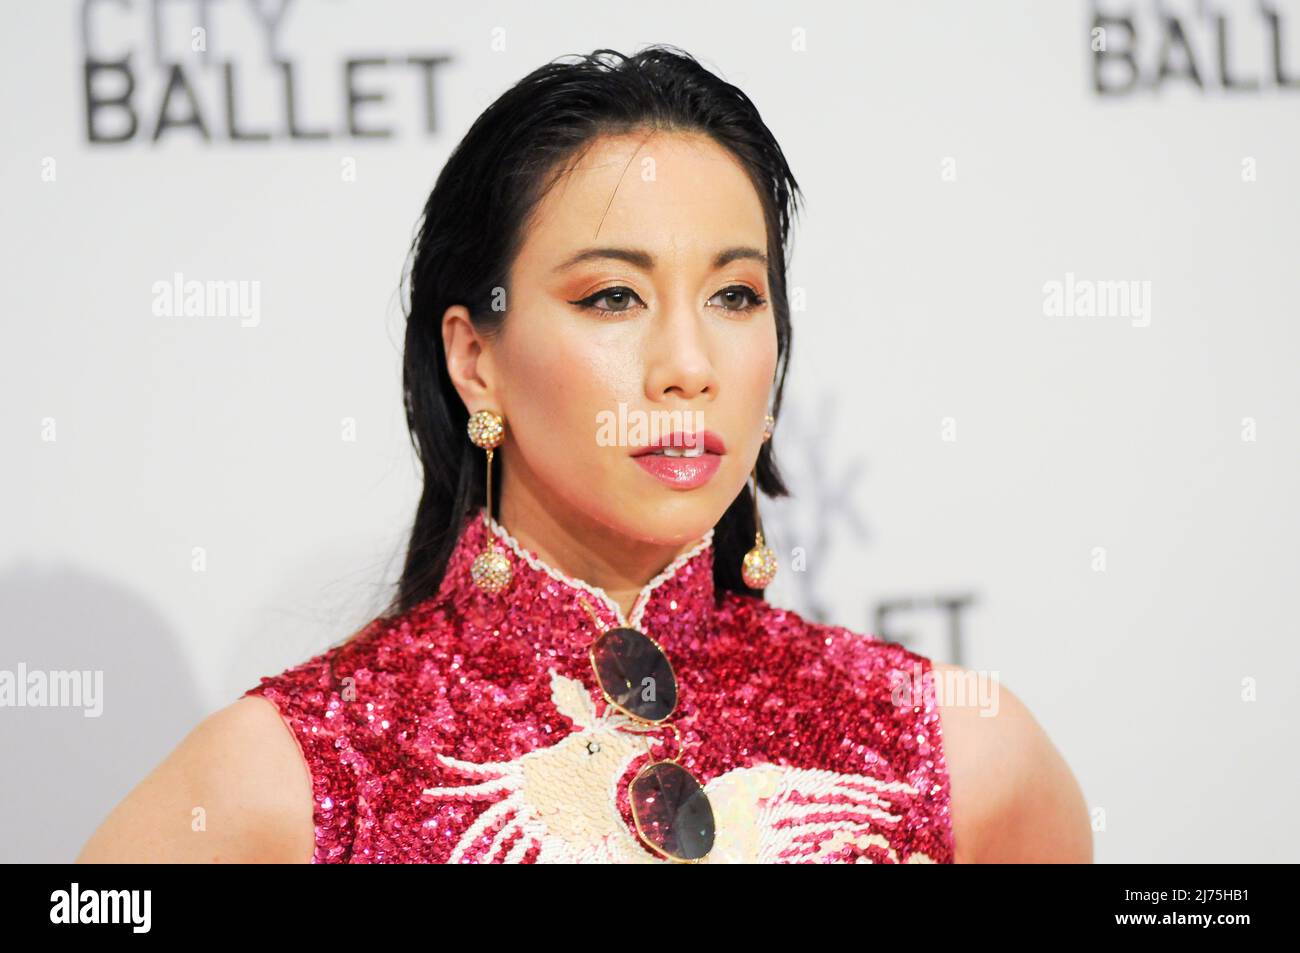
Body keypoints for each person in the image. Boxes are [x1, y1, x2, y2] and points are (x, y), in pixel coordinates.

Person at [77, 45, 1091, 864]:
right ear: (475, 358)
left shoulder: (962, 754)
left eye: (735, 295)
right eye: (612, 296)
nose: (688, 363)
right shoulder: (286, 782)